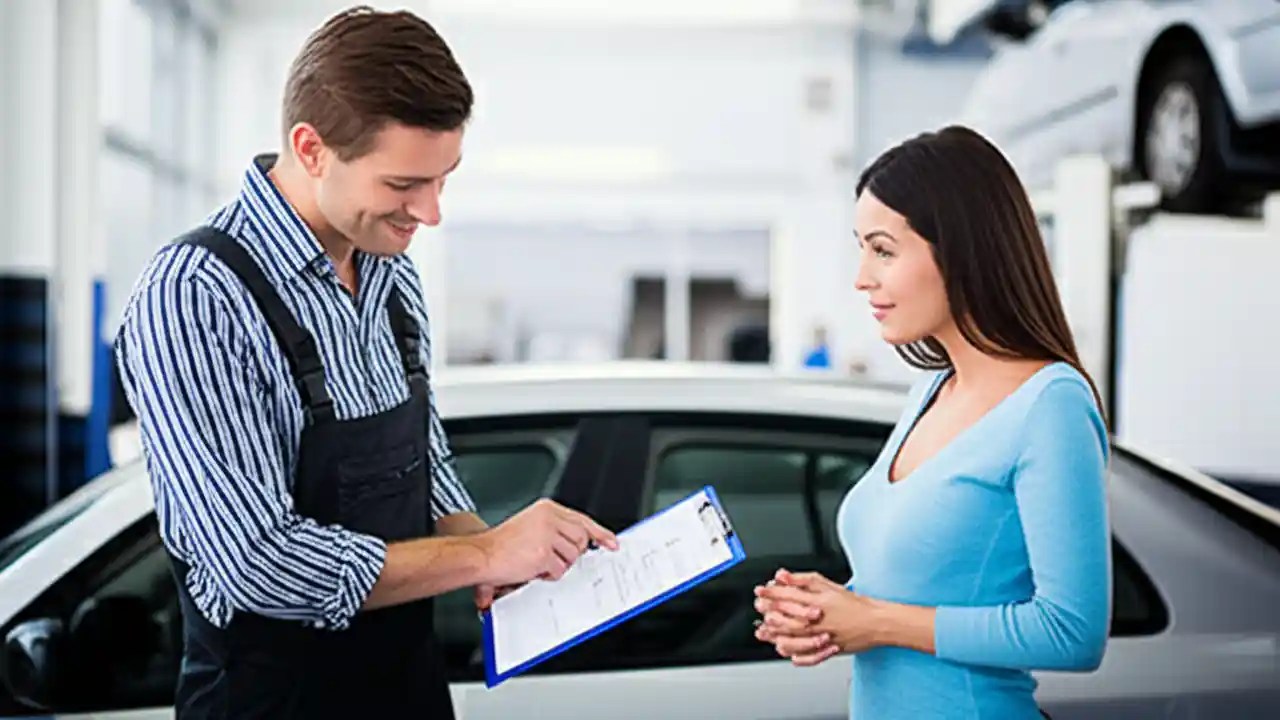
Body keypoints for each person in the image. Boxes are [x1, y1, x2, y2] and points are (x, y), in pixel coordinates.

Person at [114, 7, 616, 719]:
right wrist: (488, 555)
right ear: (311, 149)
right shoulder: (197, 297)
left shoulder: (391, 274)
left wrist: (500, 553)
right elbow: (257, 562)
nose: (432, 212)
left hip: (404, 688)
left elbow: (425, 466)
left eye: (444, 179)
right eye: (404, 185)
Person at [753, 126, 1111, 719]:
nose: (861, 277)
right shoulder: (930, 392)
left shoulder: (1050, 405)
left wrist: (875, 621)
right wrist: (828, 612)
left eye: (883, 250)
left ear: (961, 250)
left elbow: (1072, 631)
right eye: (861, 249)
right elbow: (923, 589)